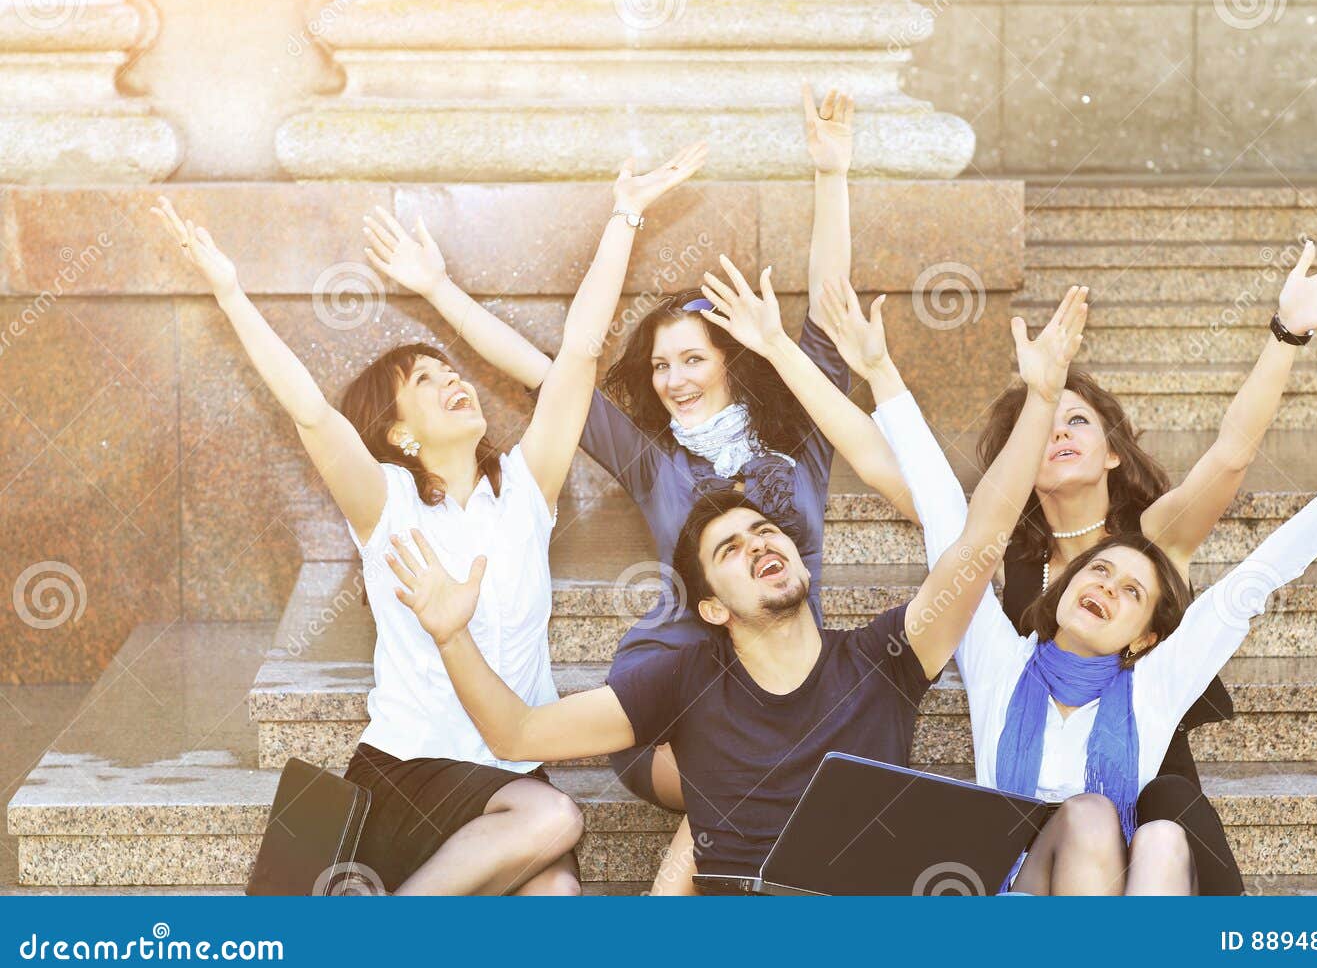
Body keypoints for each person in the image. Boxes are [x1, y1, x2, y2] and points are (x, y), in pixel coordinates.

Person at [361, 88, 916, 891]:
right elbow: (548, 373)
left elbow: (830, 311)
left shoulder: (802, 439)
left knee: (811, 753)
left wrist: (832, 175)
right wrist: (438, 287)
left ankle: (682, 886)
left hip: (791, 678)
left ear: (731, 357)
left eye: (691, 359)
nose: (672, 379)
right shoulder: (653, 460)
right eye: (659, 366)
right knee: (771, 759)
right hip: (672, 697)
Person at [377, 291, 1085, 888]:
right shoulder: (682, 684)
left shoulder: (884, 659)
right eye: (730, 549)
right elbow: (517, 733)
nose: (759, 543)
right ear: (710, 606)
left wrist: (1043, 399)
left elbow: (980, 538)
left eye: (766, 531)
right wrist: (451, 636)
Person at [150, 145, 704, 895]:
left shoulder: (526, 491)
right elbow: (311, 414)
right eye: (425, 380)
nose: (453, 382)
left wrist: (624, 216)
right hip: (410, 772)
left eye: (452, 371)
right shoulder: (385, 502)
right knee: (556, 820)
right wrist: (230, 293)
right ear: (398, 431)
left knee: (560, 896)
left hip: (512, 771)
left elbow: (577, 356)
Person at [816, 280, 1317, 894]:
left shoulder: (1154, 680)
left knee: (1159, 836)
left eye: (1132, 592)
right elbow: (942, 516)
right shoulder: (999, 657)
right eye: (1099, 571)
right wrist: (879, 372)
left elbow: (1251, 574)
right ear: (1060, 590)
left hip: (1124, 868)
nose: (1108, 586)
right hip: (1020, 895)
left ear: (1147, 638)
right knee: (1090, 815)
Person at [969, 241, 1317, 892]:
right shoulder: (997, 564)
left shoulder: (1153, 540)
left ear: (1113, 452)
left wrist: (1287, 334)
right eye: (1042, 425)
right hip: (1027, 817)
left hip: (1140, 765)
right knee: (1094, 819)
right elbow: (911, 484)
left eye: (1077, 420)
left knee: (1164, 816)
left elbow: (1230, 458)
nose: (1059, 432)